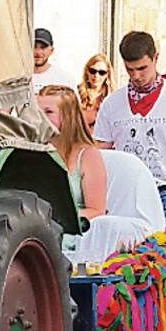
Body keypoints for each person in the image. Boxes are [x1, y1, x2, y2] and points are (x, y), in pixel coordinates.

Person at [97, 30, 166, 231]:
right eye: (130, 70)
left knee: (162, 248)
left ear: (155, 58)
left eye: (142, 68)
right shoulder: (112, 103)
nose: (136, 76)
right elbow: (101, 152)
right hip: (126, 191)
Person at [36, 85, 109, 230]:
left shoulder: (88, 155)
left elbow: (97, 211)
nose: (40, 118)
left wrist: (52, 218)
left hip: (74, 233)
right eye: (37, 112)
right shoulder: (34, 151)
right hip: (37, 232)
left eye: (48, 112)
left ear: (68, 116)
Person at [77, 53, 112, 118]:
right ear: (87, 71)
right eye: (92, 71)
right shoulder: (77, 93)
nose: (96, 75)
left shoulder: (112, 96)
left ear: (107, 74)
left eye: (102, 72)